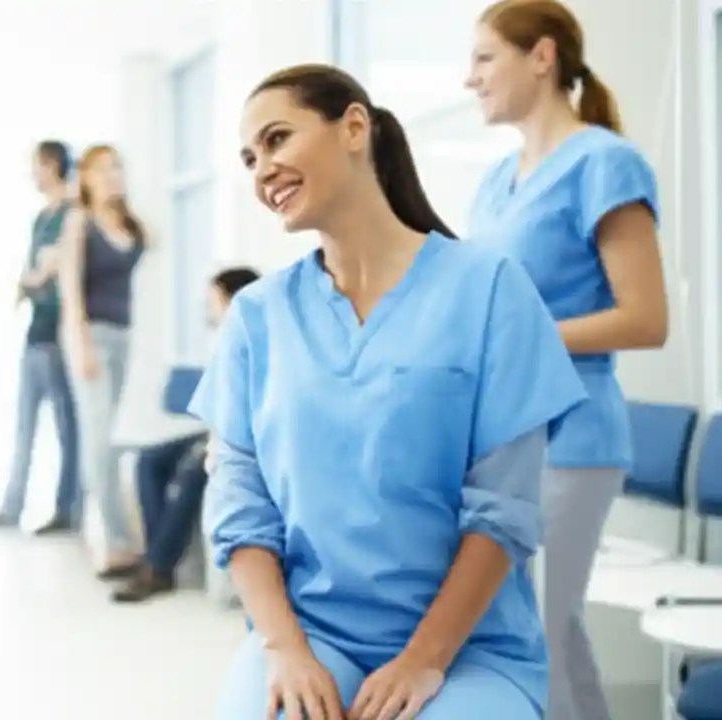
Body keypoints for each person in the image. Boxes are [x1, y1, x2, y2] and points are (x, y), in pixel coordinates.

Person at [195, 64, 588, 720]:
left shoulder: (491, 289)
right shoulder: (258, 316)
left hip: (470, 647)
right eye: (249, 157)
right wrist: (285, 648)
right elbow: (241, 505)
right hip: (310, 633)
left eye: (277, 139)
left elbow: (504, 509)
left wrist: (423, 659)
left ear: (353, 126)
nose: (262, 168)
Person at [465, 3, 668, 718]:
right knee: (539, 634)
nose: (471, 78)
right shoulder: (496, 180)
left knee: (540, 632)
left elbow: (646, 319)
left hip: (574, 438)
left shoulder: (605, 162)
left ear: (542, 56)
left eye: (486, 58)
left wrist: (521, 339)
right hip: (505, 439)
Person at [113, 266, 259, 604]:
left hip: (240, 436)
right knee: (148, 460)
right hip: (213, 429)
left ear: (230, 299)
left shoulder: (260, 339)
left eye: (213, 300)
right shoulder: (226, 339)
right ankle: (153, 557)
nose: (208, 309)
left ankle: (159, 569)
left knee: (192, 472)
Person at [58, 144, 148, 578]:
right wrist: (81, 347)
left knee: (116, 439)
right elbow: (71, 291)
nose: (113, 177)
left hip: (125, 338)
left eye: (118, 168)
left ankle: (127, 539)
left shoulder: (128, 224)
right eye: (104, 170)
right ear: (87, 178)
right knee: (100, 443)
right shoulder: (80, 222)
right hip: (91, 336)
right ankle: (114, 544)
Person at [0, 140, 81, 533]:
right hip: (35, 331)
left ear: (53, 165)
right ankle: (12, 508)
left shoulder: (73, 215)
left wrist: (40, 275)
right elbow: (34, 270)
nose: (32, 173)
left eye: (36, 165)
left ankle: (66, 511)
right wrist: (29, 281)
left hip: (60, 334)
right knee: (24, 425)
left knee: (66, 428)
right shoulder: (42, 219)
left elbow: (55, 269)